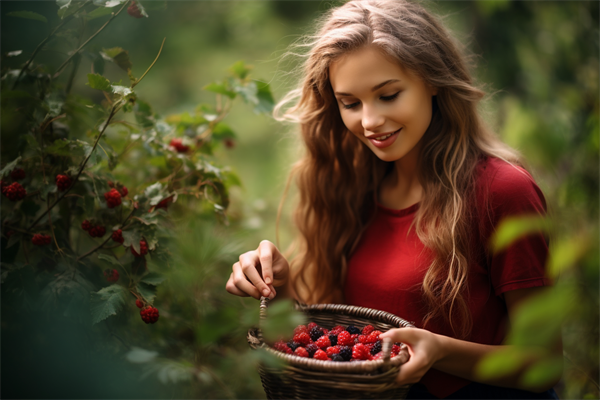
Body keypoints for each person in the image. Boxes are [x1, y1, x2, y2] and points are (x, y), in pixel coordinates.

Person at [225, 1, 560, 398]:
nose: (369, 121)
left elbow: (545, 364)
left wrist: (439, 351)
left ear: (433, 80)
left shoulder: (501, 191)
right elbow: (336, 345)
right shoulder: (349, 192)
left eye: (388, 95)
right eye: (350, 103)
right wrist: (276, 286)